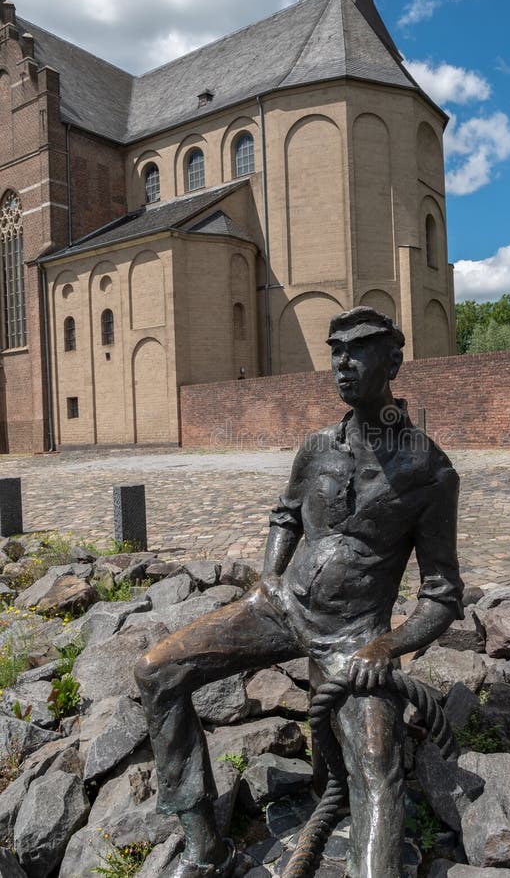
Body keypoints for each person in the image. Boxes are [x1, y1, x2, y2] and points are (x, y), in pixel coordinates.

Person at [135, 306, 463, 878]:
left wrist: (386, 648)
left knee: (377, 773)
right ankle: (202, 843)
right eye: (336, 350)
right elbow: (285, 515)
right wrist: (269, 576)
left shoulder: (430, 472)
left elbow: (441, 596)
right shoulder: (315, 449)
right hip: (281, 608)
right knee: (155, 671)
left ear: (392, 360)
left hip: (354, 640)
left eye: (358, 350)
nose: (342, 363)